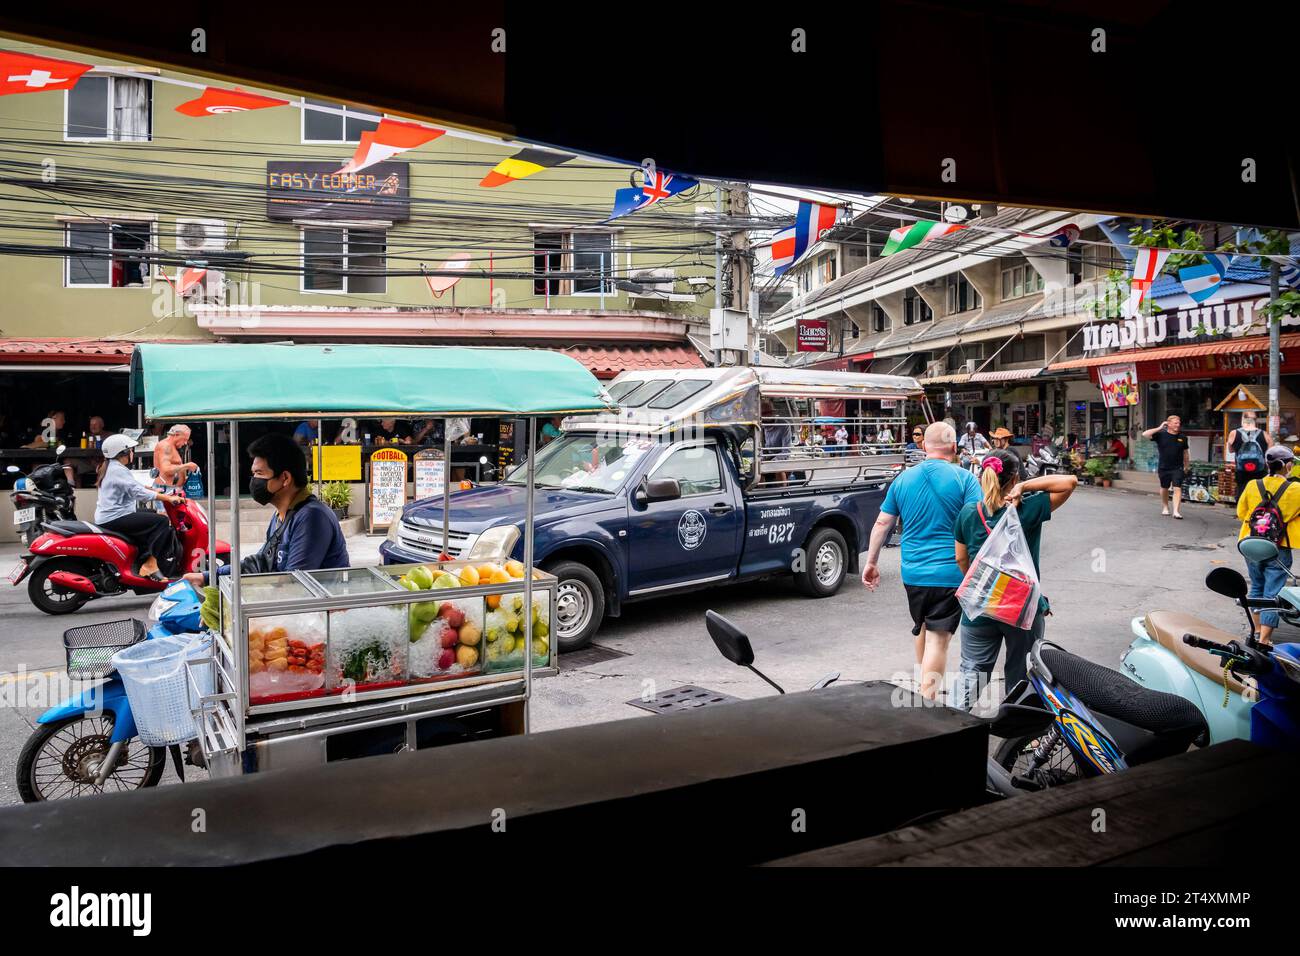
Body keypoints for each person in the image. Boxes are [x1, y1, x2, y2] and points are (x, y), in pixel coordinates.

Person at [862, 421, 982, 701]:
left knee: (923, 627)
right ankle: (927, 704)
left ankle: (924, 681)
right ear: (954, 447)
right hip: (950, 572)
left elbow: (882, 523)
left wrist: (871, 562)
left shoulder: (903, 479)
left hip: (913, 573)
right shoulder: (965, 479)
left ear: (924, 445)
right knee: (938, 640)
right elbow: (977, 524)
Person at [952, 450, 1078, 710]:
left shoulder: (968, 512)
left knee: (970, 672)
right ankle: (1020, 734)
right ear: (1014, 478)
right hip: (1020, 609)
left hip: (979, 606)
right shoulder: (1027, 507)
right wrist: (1024, 486)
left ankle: (949, 727)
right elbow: (1070, 482)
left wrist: (982, 588)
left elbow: (961, 559)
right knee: (1021, 673)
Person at [184, 432, 348, 587]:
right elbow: (262, 563)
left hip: (324, 613)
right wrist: (209, 577)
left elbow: (294, 583)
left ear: (285, 478)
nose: (254, 481)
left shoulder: (312, 517)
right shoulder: (281, 515)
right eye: (253, 474)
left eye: (259, 473)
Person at [94, 434, 184, 581]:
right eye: (130, 450)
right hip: (115, 517)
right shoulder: (118, 470)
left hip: (113, 515)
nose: (132, 453)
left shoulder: (112, 467)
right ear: (123, 453)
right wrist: (168, 498)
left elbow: (131, 487)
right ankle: (149, 564)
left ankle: (143, 556)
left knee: (151, 514)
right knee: (161, 521)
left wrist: (152, 490)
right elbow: (137, 492)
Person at [1235, 445, 1300, 645]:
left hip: (1250, 544)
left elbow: (1240, 512)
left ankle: (1255, 632)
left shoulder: (1253, 484)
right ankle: (1265, 640)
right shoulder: (1296, 489)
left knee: (1256, 586)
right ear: (1288, 465)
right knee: (1273, 593)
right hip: (1278, 547)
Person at [1142, 416, 1189, 518]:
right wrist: (1160, 427)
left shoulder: (1183, 437)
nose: (1178, 425)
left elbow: (1185, 453)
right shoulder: (1161, 435)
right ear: (1169, 424)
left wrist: (1186, 465)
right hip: (1164, 467)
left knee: (1177, 487)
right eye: (1175, 423)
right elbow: (1145, 434)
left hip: (1178, 467)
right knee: (1164, 487)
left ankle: (1176, 511)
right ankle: (1165, 506)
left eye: (1179, 423)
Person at [1227, 412, 1271, 498]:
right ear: (1255, 421)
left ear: (1243, 419)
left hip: (1241, 470)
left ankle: (1242, 510)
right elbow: (1270, 452)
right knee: (1258, 493)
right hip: (1259, 471)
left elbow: (1231, 450)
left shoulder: (1234, 433)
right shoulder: (1265, 434)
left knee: (1242, 493)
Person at [153, 424, 198, 489]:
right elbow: (166, 469)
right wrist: (187, 466)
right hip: (166, 489)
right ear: (176, 435)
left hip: (172, 488)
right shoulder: (166, 446)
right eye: (184, 439)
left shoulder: (171, 446)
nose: (185, 443)